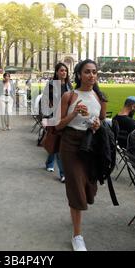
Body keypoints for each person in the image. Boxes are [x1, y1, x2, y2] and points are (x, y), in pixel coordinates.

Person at [56, 59, 107, 251]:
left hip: (89, 144)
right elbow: (59, 125)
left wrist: (97, 125)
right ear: (79, 75)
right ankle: (77, 236)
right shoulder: (69, 96)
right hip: (70, 144)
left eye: (94, 72)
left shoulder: (99, 97)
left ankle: (75, 214)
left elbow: (100, 121)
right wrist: (74, 114)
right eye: (87, 72)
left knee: (89, 188)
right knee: (76, 187)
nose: (91, 75)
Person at [41, 62, 72, 183]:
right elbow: (45, 101)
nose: (64, 72)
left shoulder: (69, 85)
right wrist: (45, 117)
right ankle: (63, 173)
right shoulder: (51, 85)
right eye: (61, 70)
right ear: (57, 72)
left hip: (65, 118)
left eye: (65, 71)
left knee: (57, 143)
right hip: (54, 117)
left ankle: (49, 162)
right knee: (57, 144)